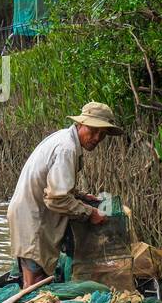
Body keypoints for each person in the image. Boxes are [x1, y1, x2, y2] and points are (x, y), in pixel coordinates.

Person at [7, 101, 124, 288]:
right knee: (35, 283)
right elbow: (56, 198)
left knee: (38, 278)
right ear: (80, 124)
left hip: (32, 215)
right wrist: (90, 213)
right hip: (33, 219)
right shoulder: (67, 148)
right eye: (92, 130)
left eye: (102, 134)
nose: (96, 138)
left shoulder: (65, 139)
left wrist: (81, 196)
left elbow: (54, 184)